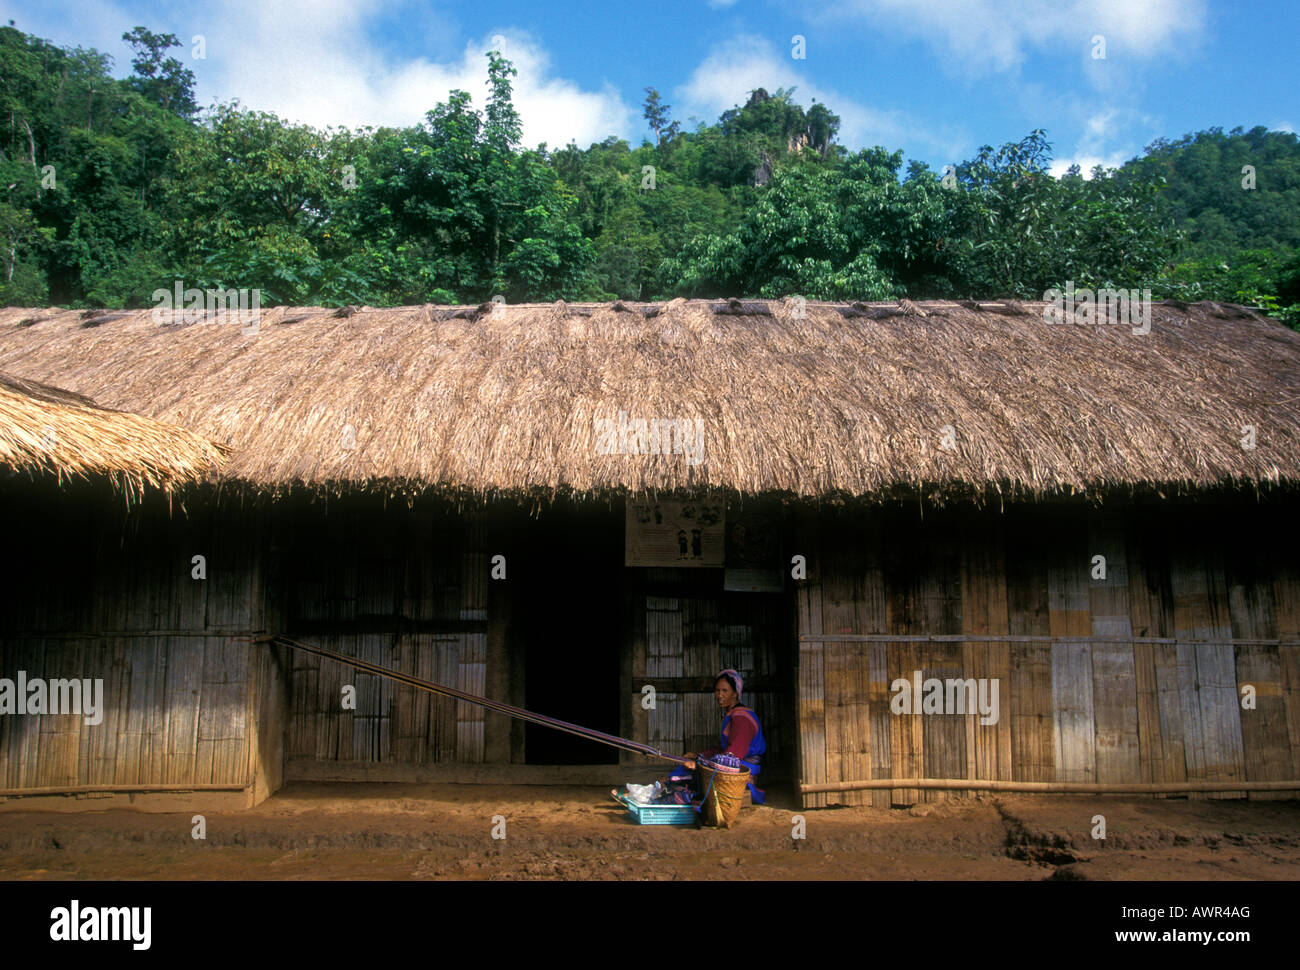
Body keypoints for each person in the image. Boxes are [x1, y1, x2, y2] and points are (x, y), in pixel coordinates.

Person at [669, 668, 766, 806]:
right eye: (717, 690)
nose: (719, 695)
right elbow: (724, 750)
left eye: (725, 691)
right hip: (733, 766)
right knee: (683, 771)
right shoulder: (734, 714)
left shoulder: (742, 719)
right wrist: (698, 756)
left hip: (741, 773)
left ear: (735, 693)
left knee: (681, 777)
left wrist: (699, 765)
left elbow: (733, 756)